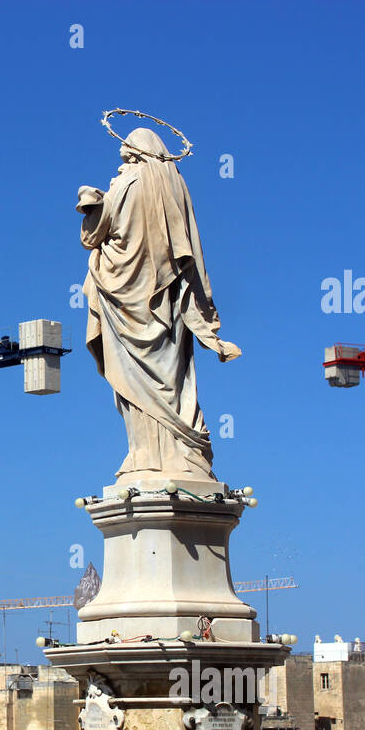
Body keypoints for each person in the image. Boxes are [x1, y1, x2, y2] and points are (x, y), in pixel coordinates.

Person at [78, 127, 241, 482]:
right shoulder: (175, 187)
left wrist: (90, 202)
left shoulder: (124, 186)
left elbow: (92, 236)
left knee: (134, 382)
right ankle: (184, 455)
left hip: (125, 303)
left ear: (132, 154)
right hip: (169, 302)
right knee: (174, 378)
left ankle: (145, 455)